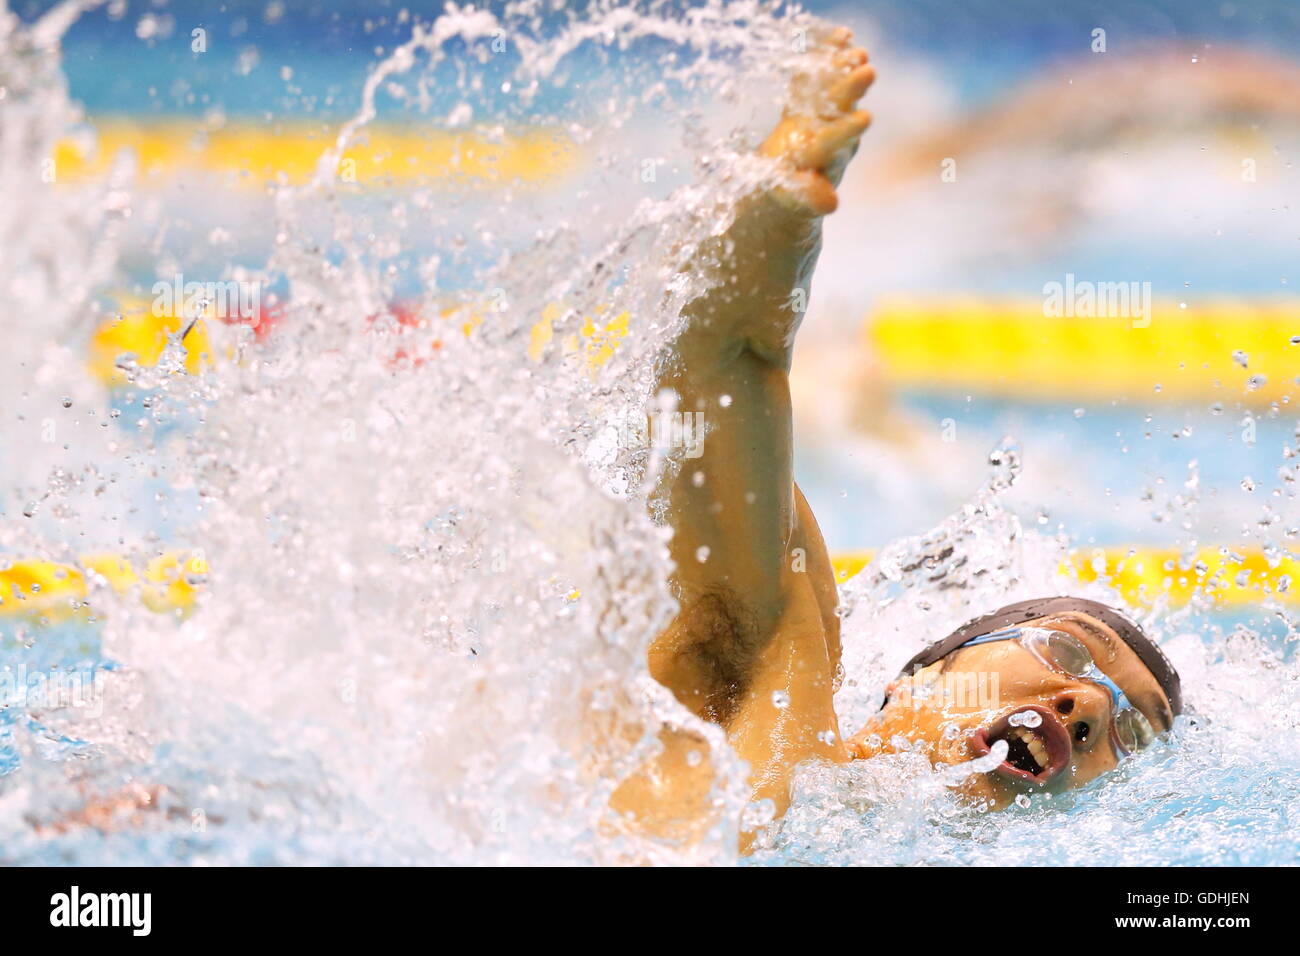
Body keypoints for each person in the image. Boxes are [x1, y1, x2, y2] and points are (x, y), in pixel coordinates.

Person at [610, 27, 1182, 851]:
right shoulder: (767, 697)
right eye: (1064, 651)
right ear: (926, 672)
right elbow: (715, 367)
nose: (1088, 705)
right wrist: (780, 218)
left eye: (1131, 736)